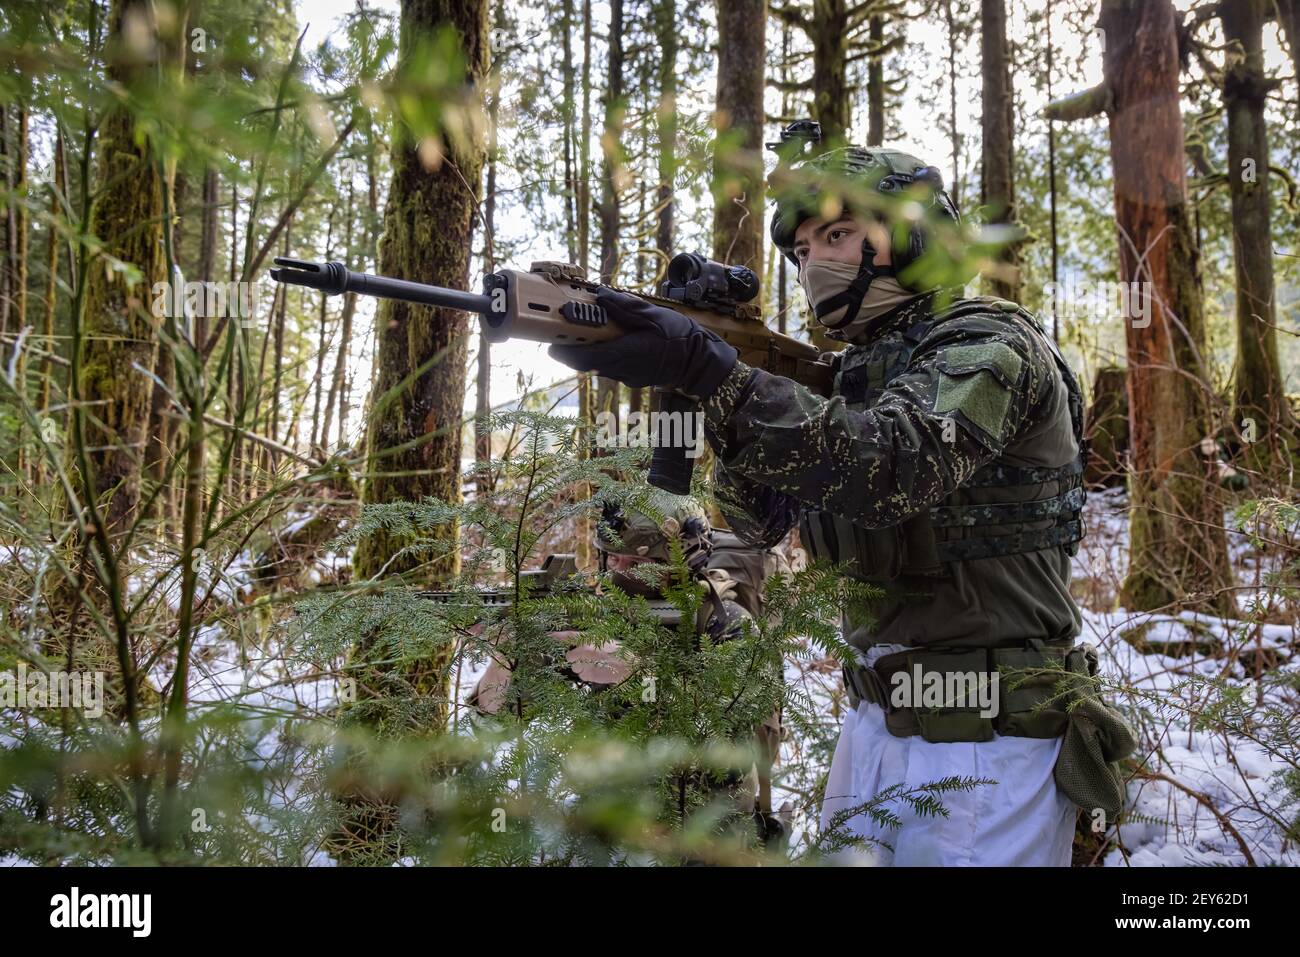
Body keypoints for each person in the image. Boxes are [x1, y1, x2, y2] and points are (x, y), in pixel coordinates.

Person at [548, 132, 1134, 866]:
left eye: (836, 233)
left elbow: (889, 466)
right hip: (872, 730)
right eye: (799, 251)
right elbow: (763, 520)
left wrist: (719, 376)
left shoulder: (991, 342)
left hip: (989, 748)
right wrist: (705, 391)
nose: (812, 262)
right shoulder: (853, 376)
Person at [469, 498, 788, 845]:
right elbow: (495, 722)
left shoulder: (726, 624)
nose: (616, 573)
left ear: (676, 566)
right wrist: (505, 657)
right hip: (611, 827)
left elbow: (731, 744)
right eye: (611, 557)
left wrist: (637, 672)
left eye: (635, 563)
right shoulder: (594, 616)